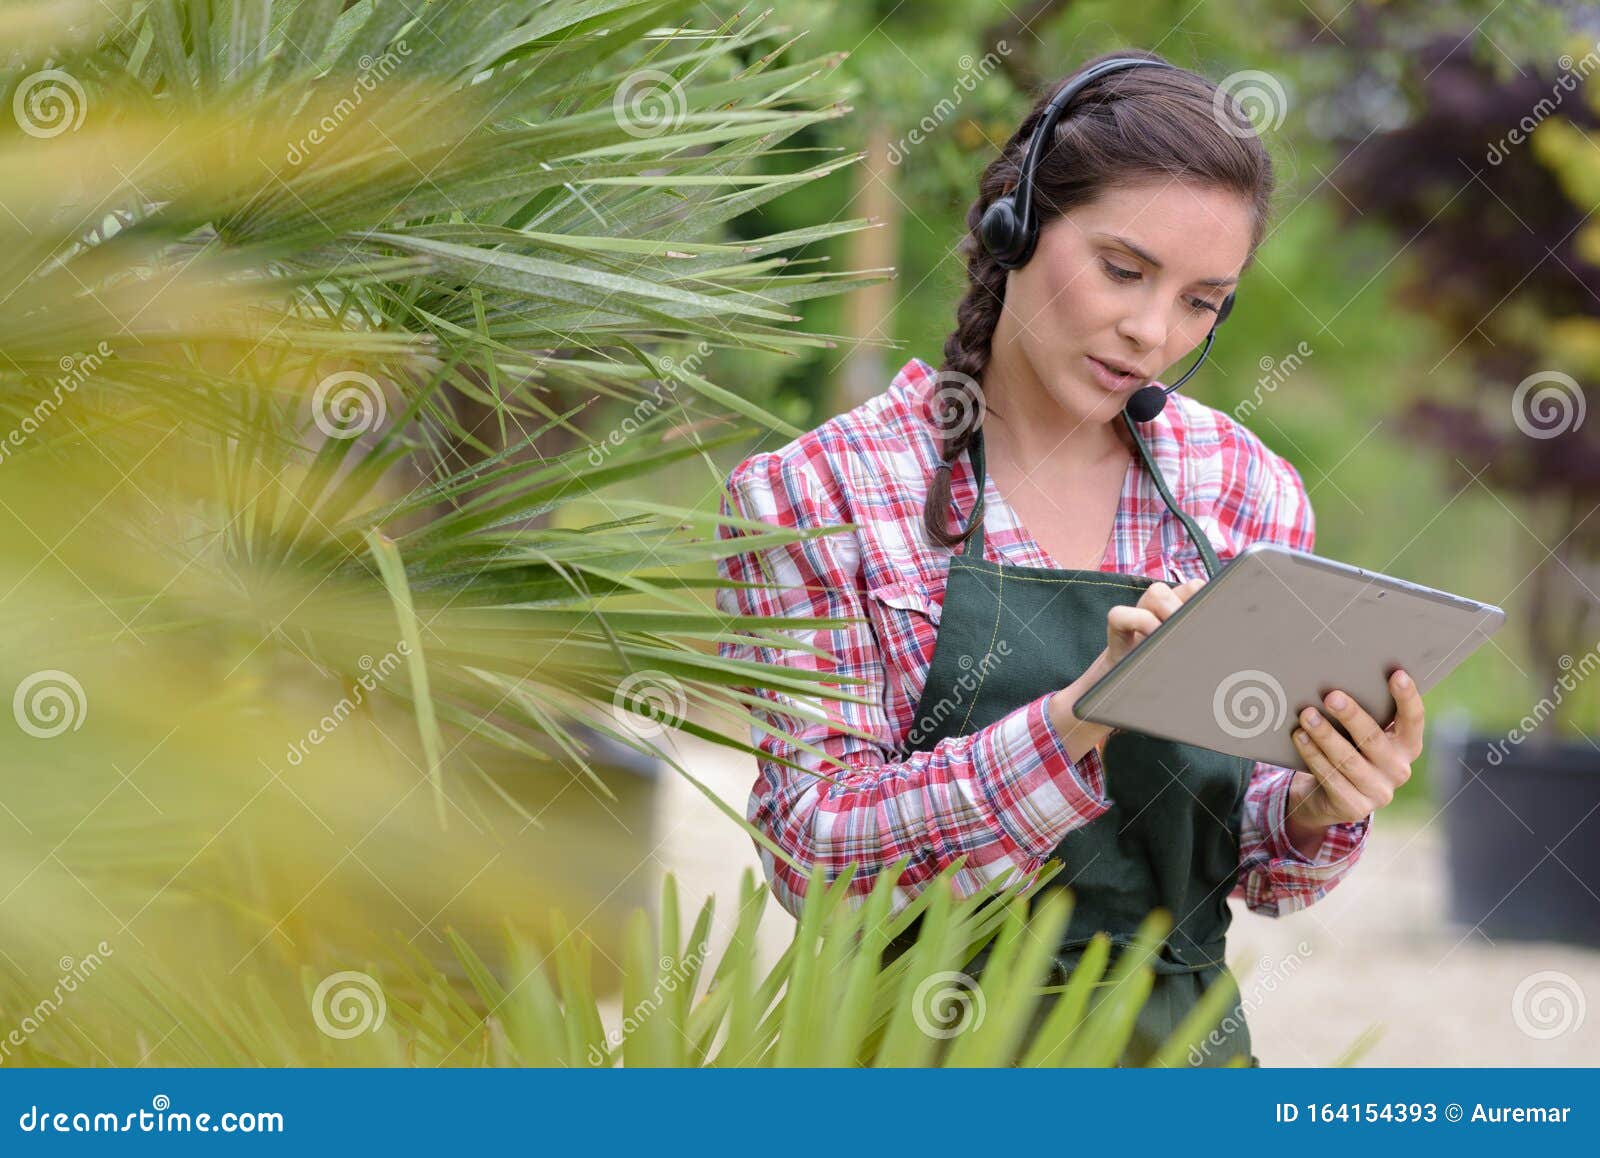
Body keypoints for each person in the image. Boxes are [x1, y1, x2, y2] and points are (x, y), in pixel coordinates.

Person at [713, 49, 1425, 1066]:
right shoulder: (817, 493)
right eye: (1122, 270)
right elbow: (814, 857)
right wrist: (1077, 718)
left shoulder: (1243, 487)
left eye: (1201, 301)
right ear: (1012, 224)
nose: (1150, 331)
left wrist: (1320, 803)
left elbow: (1261, 870)